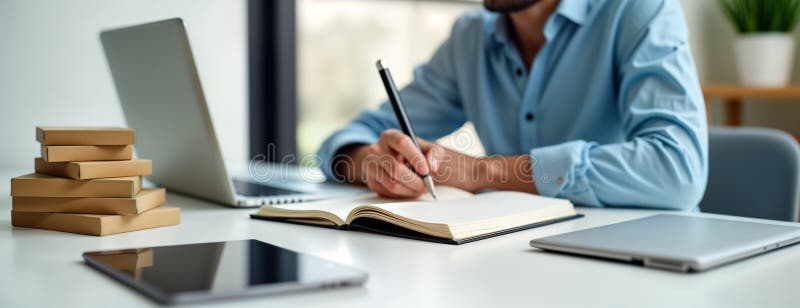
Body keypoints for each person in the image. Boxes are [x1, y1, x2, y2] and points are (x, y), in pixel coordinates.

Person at [316, 0, 708, 210]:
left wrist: (483, 171)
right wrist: (371, 163)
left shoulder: (640, 10)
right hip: (516, 265)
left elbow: (678, 169)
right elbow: (345, 139)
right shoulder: (470, 38)